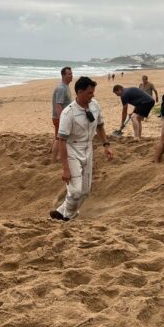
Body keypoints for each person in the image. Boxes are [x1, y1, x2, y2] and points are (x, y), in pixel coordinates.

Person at [50, 77, 113, 221]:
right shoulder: (68, 113)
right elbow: (61, 141)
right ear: (80, 92)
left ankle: (61, 211)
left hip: (88, 149)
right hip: (72, 149)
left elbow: (100, 126)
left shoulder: (95, 106)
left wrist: (106, 145)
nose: (93, 95)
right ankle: (69, 216)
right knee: (75, 190)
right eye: (90, 93)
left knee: (85, 191)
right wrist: (65, 168)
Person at [51, 67, 73, 162]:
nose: (71, 76)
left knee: (60, 138)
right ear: (64, 76)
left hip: (63, 118)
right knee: (58, 138)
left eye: (72, 74)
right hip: (59, 118)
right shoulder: (61, 88)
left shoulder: (66, 87)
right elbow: (58, 105)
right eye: (69, 74)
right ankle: (53, 160)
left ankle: (57, 156)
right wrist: (62, 120)